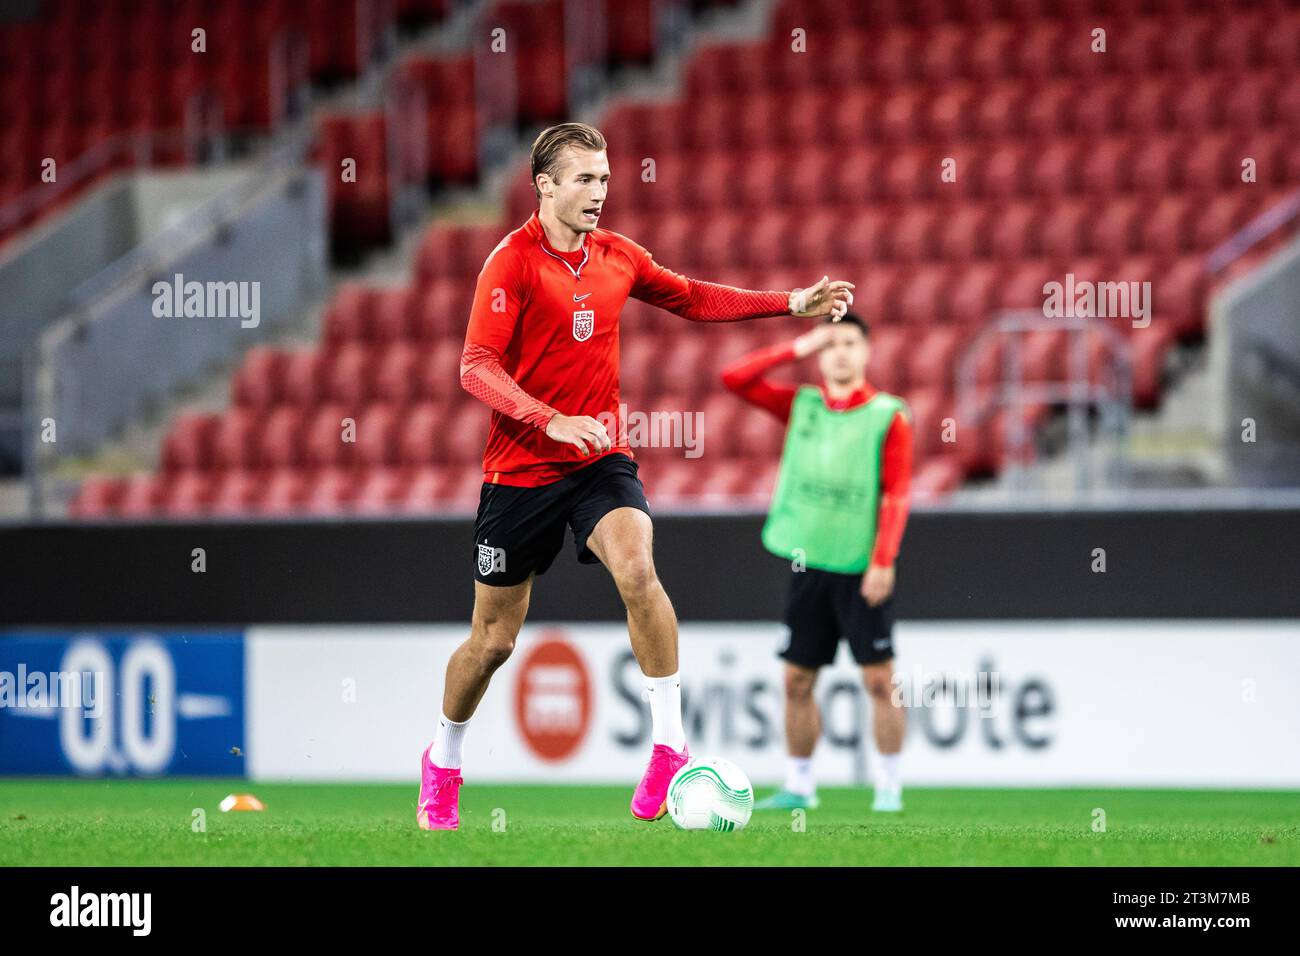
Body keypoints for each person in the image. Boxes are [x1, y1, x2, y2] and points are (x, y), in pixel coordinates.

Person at [417, 122, 855, 829]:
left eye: (605, 178)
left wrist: (789, 301)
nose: (599, 192)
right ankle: (443, 758)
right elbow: (475, 367)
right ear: (545, 185)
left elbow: (693, 297)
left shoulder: (618, 256)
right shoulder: (510, 264)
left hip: (599, 459)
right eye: (584, 179)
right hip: (520, 472)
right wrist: (546, 418)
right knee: (493, 642)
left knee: (636, 567)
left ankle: (668, 746)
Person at [721, 313, 913, 812]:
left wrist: (884, 560)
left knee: (878, 677)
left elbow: (897, 493)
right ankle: (800, 786)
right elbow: (733, 378)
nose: (841, 352)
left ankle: (889, 786)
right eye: (832, 344)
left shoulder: (888, 414)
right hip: (809, 564)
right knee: (797, 680)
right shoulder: (803, 405)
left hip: (859, 566)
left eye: (850, 342)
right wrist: (798, 345)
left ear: (867, 352)